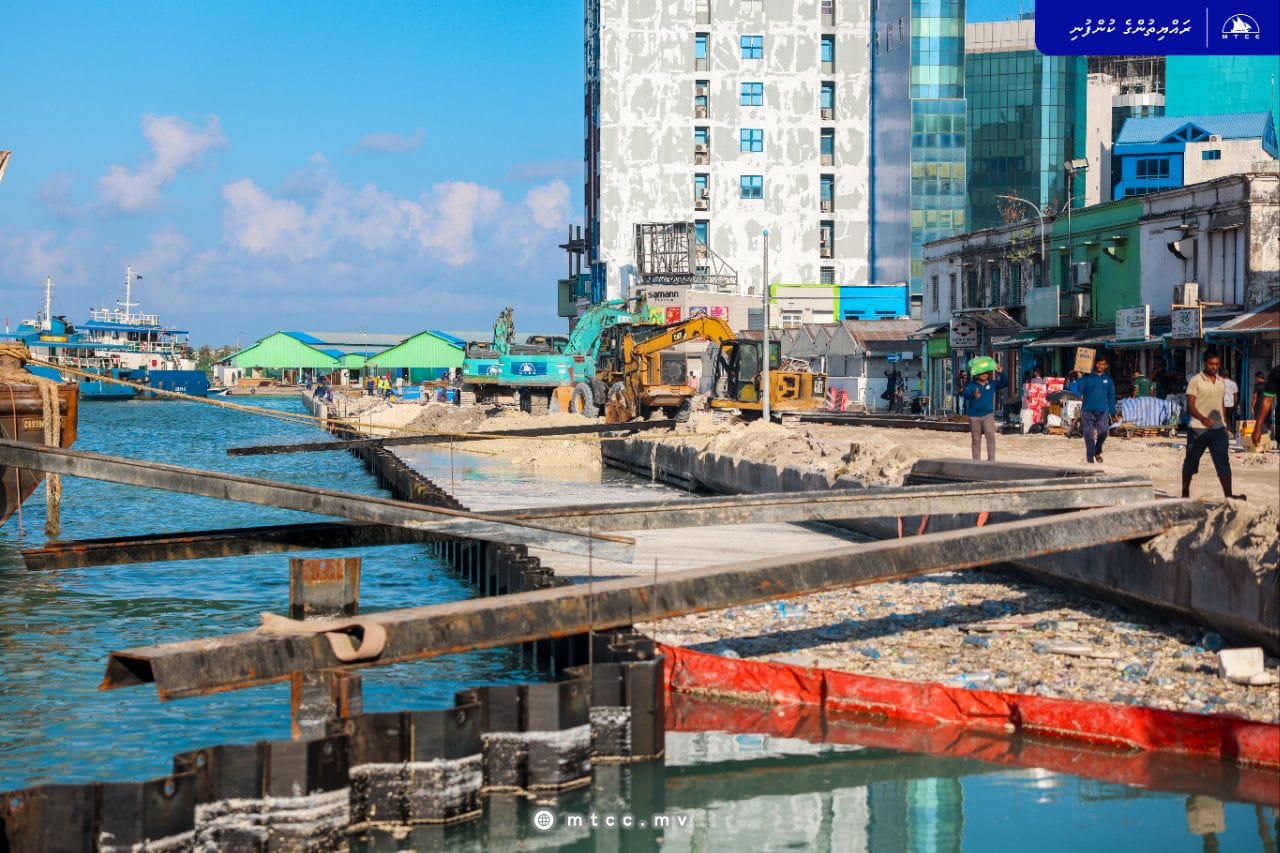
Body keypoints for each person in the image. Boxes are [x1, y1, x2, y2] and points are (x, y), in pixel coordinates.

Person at [1183, 352, 1244, 500]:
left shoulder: (1221, 382)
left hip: (1218, 430)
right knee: (1191, 461)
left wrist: (1225, 424)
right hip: (1198, 428)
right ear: (1205, 363)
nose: (1214, 367)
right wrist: (1203, 418)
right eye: (1211, 364)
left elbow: (1221, 404)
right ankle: (1185, 493)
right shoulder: (1195, 381)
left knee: (1223, 462)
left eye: (1217, 364)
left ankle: (1229, 495)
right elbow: (1190, 405)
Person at [1069, 356, 1117, 464]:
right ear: (1095, 364)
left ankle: (1097, 451)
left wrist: (1113, 413)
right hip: (1087, 410)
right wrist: (1080, 376)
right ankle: (1090, 458)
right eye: (1098, 364)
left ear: (1106, 366)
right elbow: (1080, 390)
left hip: (1102, 411)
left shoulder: (1108, 380)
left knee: (1104, 432)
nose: (1100, 366)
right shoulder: (1087, 378)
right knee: (1088, 435)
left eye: (1103, 364)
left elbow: (1111, 397)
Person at [963, 356, 1007, 461]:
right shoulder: (971, 385)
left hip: (988, 415)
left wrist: (1001, 372)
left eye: (986, 373)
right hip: (974, 417)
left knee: (991, 438)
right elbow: (965, 395)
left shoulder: (992, 384)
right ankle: (976, 462)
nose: (984, 375)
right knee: (976, 440)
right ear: (977, 374)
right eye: (982, 373)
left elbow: (1004, 383)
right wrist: (973, 395)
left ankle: (991, 461)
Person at [1251, 365, 1279, 447]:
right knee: (1267, 423)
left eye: (1256, 378)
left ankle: (1263, 441)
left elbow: (1255, 398)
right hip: (1268, 408)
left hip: (1261, 407)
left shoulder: (1257, 386)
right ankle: (1266, 439)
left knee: (1261, 423)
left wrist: (1252, 407)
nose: (1255, 379)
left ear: (1258, 377)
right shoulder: (1268, 382)